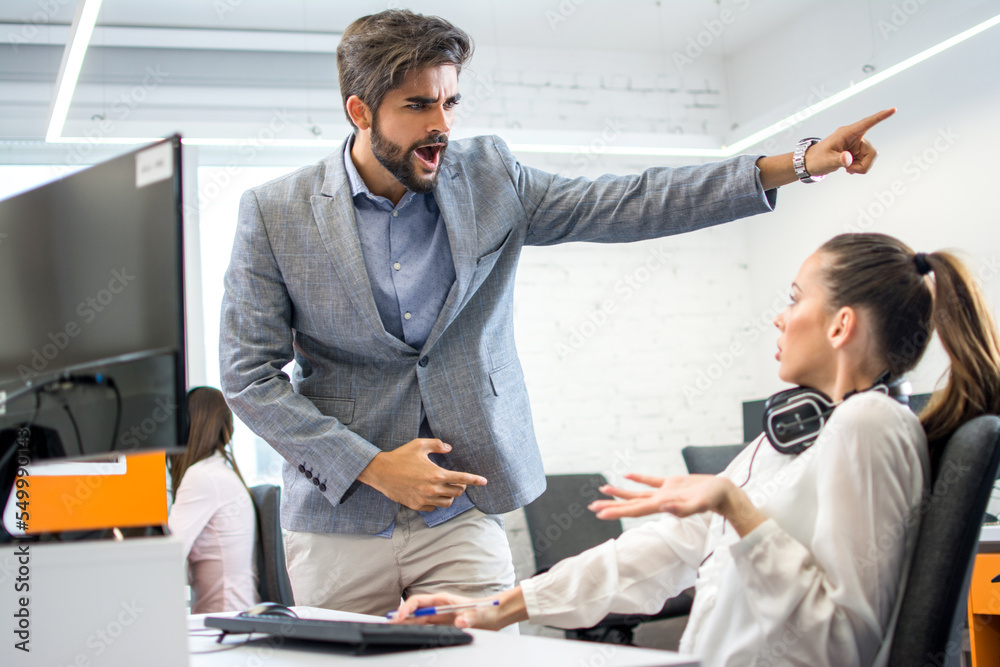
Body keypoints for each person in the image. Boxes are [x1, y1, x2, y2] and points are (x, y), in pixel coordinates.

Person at [219, 8, 895, 616]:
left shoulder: (488, 176)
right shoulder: (275, 213)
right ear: (360, 111)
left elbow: (628, 201)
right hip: (337, 523)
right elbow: (248, 376)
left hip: (462, 512)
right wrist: (372, 465)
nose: (442, 125)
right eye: (418, 105)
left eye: (450, 102)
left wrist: (796, 163)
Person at [392, 233, 1000, 667]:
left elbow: (845, 642)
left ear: (840, 325)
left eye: (795, 298)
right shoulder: (796, 435)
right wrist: (500, 606)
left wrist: (737, 508)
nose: (780, 319)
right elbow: (660, 552)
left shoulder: (870, 424)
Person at [168, 386, 259, 614]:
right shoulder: (217, 471)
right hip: (233, 616)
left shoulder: (202, 477)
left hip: (224, 622)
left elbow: (167, 556)